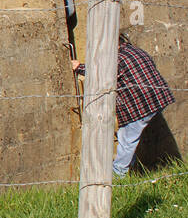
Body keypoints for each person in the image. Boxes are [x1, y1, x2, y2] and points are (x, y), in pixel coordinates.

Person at [73, 32, 175, 176]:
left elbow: (102, 74)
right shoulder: (135, 50)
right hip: (158, 97)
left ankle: (119, 175)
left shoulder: (117, 58)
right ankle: (127, 169)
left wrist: (79, 67)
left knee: (127, 139)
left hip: (141, 105)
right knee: (128, 138)